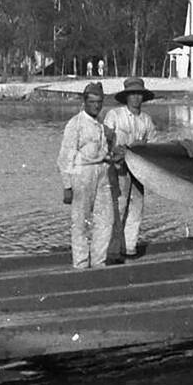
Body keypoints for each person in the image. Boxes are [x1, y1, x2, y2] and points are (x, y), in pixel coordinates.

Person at [57, 81, 116, 269]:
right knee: (80, 220)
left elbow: (105, 151)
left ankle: (99, 261)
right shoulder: (75, 124)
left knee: (106, 219)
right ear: (84, 102)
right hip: (81, 172)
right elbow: (65, 157)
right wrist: (67, 186)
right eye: (92, 101)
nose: (96, 106)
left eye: (99, 102)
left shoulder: (101, 125)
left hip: (102, 172)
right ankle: (81, 263)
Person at [104, 76, 159, 260]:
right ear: (126, 97)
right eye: (132, 94)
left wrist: (142, 147)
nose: (136, 98)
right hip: (119, 169)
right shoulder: (115, 115)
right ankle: (111, 250)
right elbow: (106, 139)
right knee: (117, 209)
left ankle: (130, 248)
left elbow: (155, 145)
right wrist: (117, 150)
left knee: (136, 208)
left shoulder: (146, 120)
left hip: (139, 170)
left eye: (139, 94)